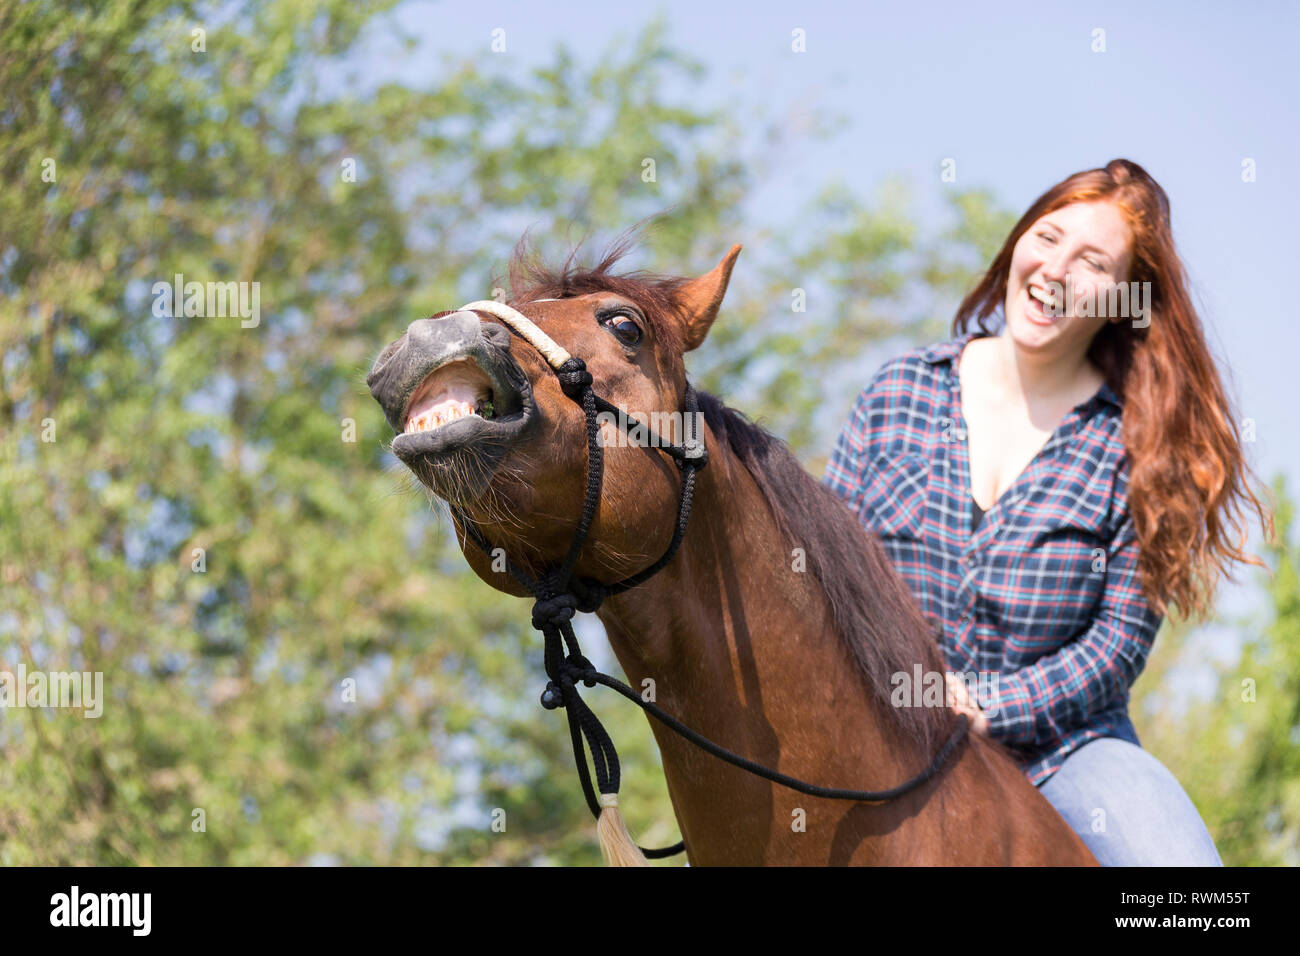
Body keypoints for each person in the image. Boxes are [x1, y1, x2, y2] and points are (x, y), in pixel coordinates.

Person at [822, 158, 1275, 866]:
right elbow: (827, 569)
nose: (1057, 269)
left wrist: (987, 706)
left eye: (1092, 261)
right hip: (882, 724)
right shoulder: (900, 390)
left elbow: (1115, 648)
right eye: (1048, 236)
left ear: (1126, 298)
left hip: (1067, 753)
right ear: (1018, 241)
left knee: (1185, 880)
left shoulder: (1143, 449)